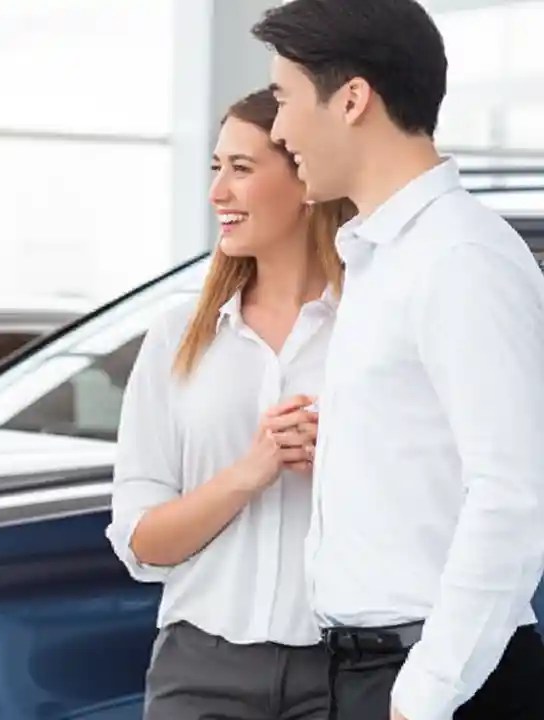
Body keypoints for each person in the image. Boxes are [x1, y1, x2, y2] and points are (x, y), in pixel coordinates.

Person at [252, 1, 544, 719]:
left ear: (352, 98)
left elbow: (512, 493)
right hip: (373, 671)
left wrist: (424, 695)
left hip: (439, 682)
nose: (278, 129)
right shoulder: (382, 258)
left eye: (284, 98)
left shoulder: (459, 256)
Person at [108, 88, 355, 720]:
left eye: (241, 168)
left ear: (307, 179)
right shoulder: (177, 337)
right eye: (216, 167)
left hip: (349, 673)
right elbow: (143, 542)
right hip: (200, 672)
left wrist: (343, 460)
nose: (217, 192)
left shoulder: (372, 329)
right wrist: (249, 472)